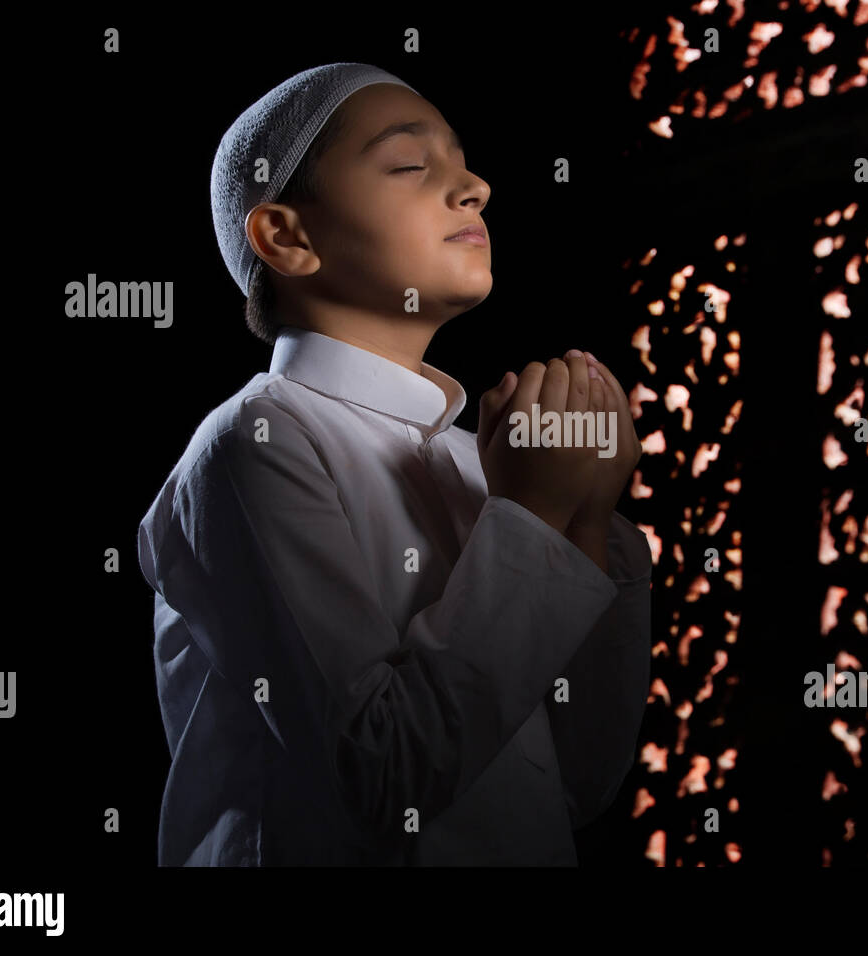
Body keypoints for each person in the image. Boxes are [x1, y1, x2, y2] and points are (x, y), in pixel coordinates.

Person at [135, 63, 652, 865]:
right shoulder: (256, 443)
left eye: (463, 160)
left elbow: (581, 786)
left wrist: (584, 524)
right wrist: (537, 520)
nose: (475, 186)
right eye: (412, 165)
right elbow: (379, 775)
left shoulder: (484, 463)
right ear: (288, 237)